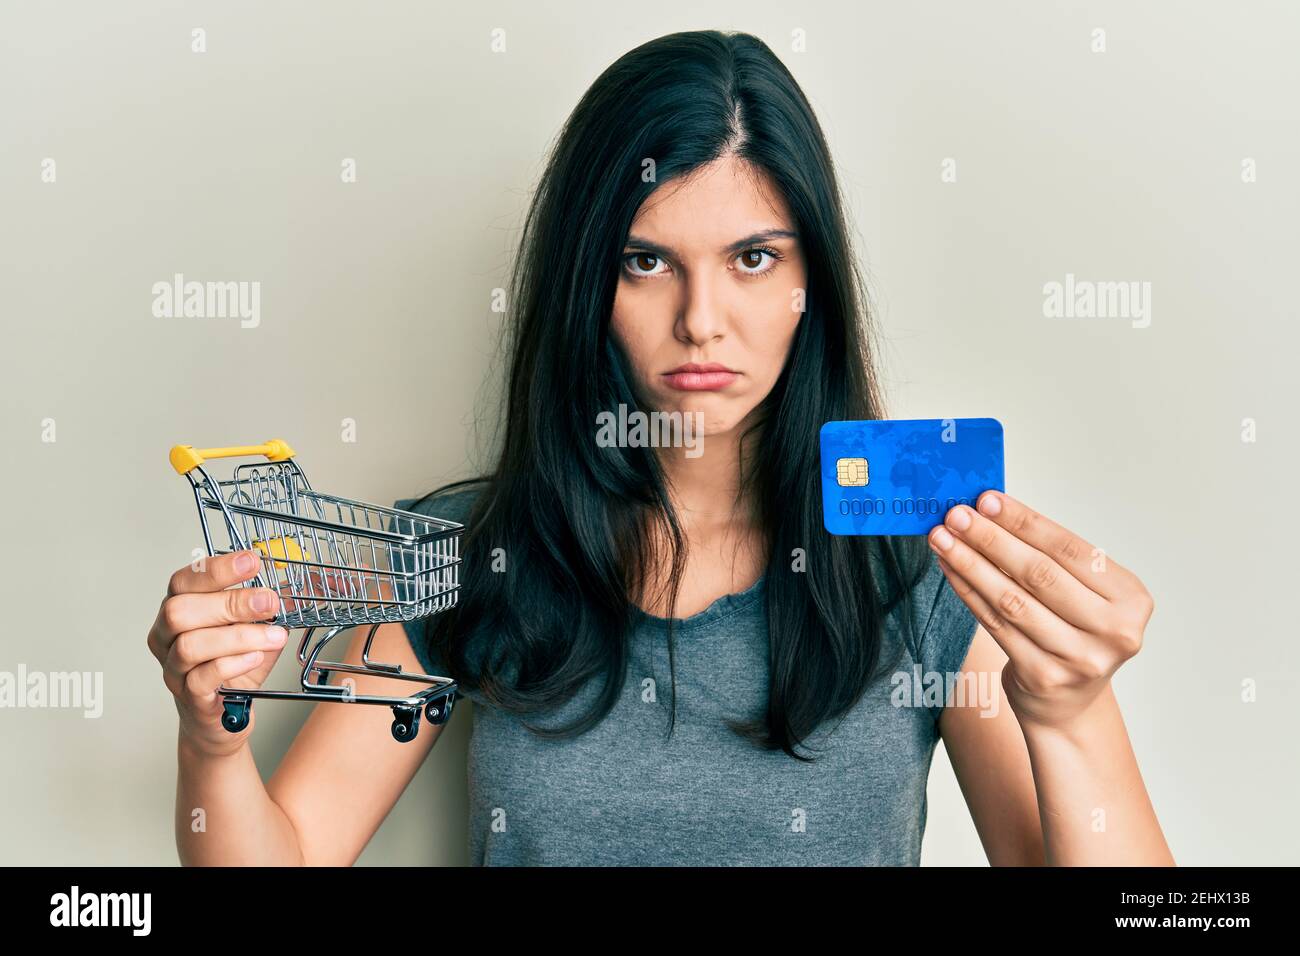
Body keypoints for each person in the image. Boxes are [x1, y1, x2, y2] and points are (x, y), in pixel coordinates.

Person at [147, 29, 1172, 866]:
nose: (701, 320)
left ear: (808, 285)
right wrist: (211, 740)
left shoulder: (923, 565)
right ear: (587, 286)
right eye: (646, 261)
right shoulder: (464, 551)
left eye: (752, 258)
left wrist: (1074, 714)